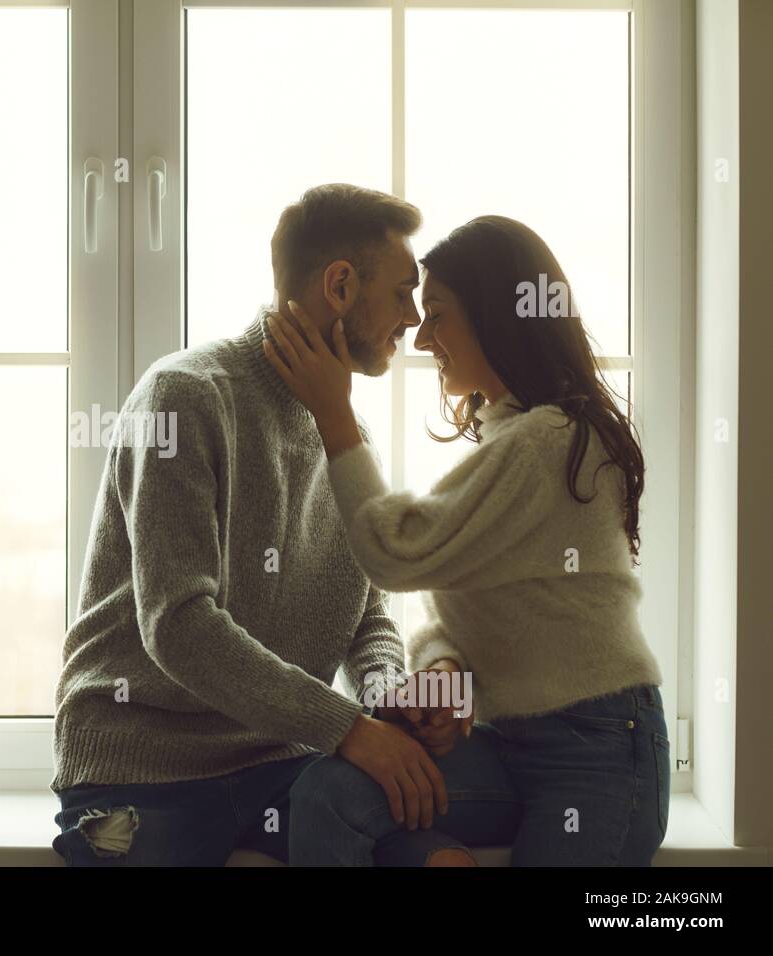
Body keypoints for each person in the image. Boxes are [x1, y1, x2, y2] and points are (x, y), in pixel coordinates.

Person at [50, 185, 522, 867]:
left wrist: (392, 702)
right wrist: (349, 730)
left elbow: (368, 618)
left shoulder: (347, 436)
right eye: (401, 293)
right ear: (339, 284)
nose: (413, 320)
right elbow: (179, 625)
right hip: (142, 773)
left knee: (441, 857)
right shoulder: (184, 398)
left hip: (285, 763)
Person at [263, 214, 670, 866]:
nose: (422, 339)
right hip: (507, 742)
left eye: (439, 315)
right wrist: (444, 666)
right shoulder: (510, 435)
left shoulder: (553, 440)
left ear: (497, 319)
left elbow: (398, 554)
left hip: (597, 747)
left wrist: (333, 414)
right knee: (329, 797)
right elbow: (450, 599)